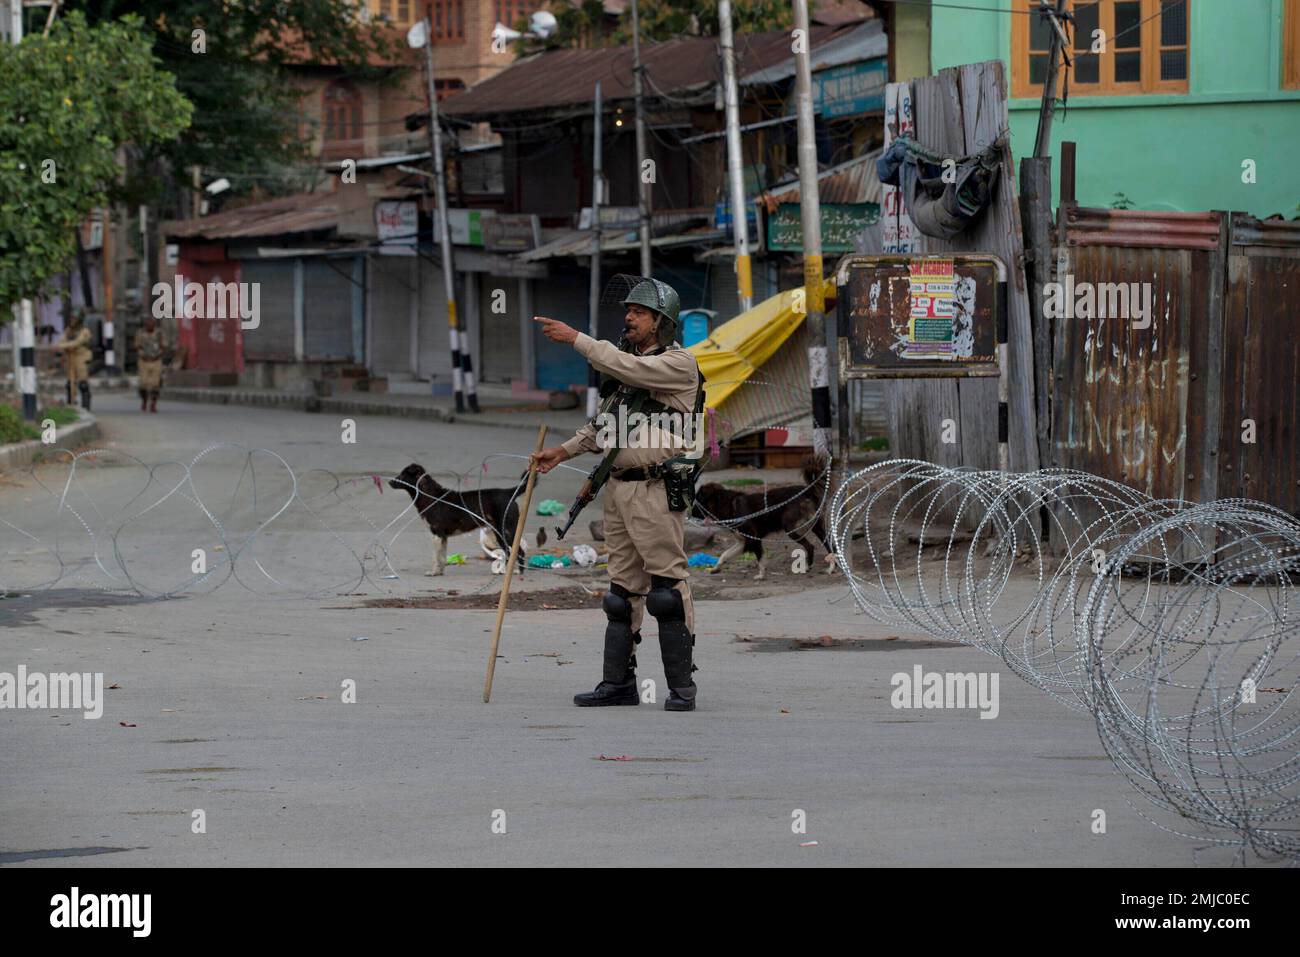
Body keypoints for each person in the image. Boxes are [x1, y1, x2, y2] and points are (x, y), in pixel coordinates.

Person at [532, 278, 704, 712]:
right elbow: (603, 425)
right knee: (620, 592)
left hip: (655, 489)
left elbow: (631, 371)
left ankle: (682, 688)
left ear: (661, 322)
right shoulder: (626, 366)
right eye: (627, 311)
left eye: (639, 313)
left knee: (666, 588)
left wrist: (577, 339)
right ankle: (618, 684)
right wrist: (563, 450)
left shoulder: (678, 364)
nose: (628, 318)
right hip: (618, 489)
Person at [54, 310, 93, 410]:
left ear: (79, 320)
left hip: (81, 357)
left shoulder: (85, 331)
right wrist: (61, 345)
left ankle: (86, 407)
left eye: (74, 318)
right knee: (69, 384)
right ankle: (71, 404)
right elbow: (62, 340)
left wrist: (61, 346)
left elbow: (77, 343)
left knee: (83, 383)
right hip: (70, 357)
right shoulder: (69, 331)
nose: (72, 320)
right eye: (71, 318)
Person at [134, 317, 166, 413]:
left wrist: (160, 353)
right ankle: (144, 400)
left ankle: (153, 404)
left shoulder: (159, 333)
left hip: (156, 361)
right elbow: (137, 346)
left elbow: (163, 345)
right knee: (143, 384)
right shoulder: (140, 333)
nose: (150, 325)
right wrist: (141, 353)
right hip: (144, 361)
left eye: (152, 323)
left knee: (155, 384)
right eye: (148, 323)